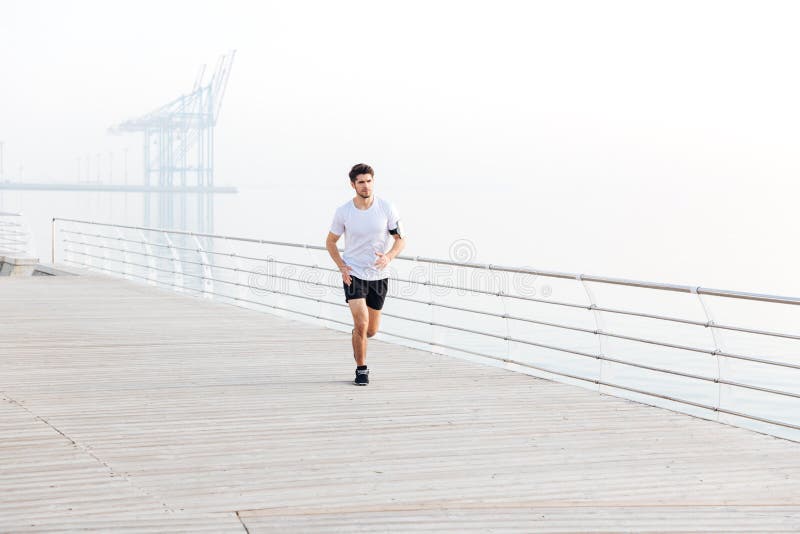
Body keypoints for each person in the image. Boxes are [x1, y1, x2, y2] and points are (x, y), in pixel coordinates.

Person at [326, 163, 406, 386]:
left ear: (373, 182)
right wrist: (342, 266)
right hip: (354, 273)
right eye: (360, 182)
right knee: (361, 323)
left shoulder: (386, 208)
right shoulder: (344, 211)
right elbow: (331, 242)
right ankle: (361, 369)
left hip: (379, 275)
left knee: (370, 330)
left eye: (369, 181)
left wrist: (388, 257)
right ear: (353, 185)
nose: (365, 185)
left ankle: (358, 336)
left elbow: (400, 240)